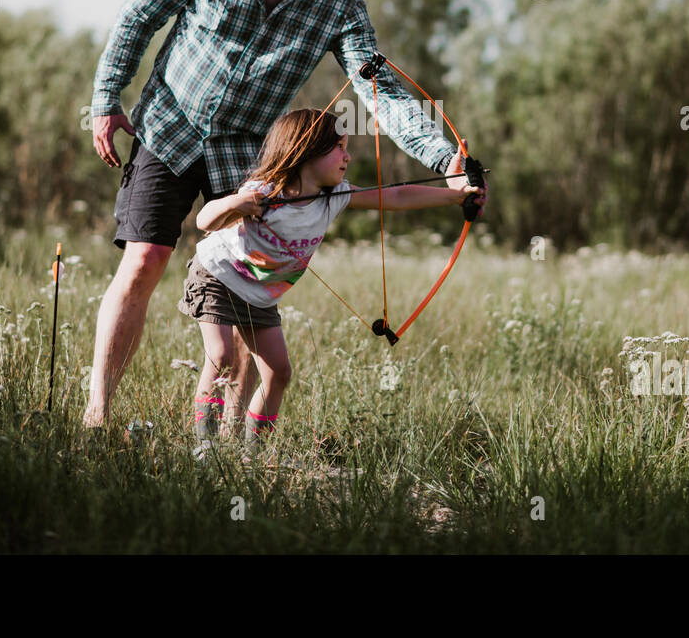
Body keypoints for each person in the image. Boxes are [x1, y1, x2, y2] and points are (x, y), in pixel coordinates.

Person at [84, 0, 489, 430]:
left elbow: (378, 89)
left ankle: (224, 444)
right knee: (145, 260)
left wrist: (445, 159)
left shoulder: (342, 3)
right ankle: (98, 416)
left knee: (246, 284)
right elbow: (139, 18)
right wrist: (106, 99)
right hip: (168, 129)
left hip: (247, 152)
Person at [180, 108, 486, 449]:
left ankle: (250, 455)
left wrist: (457, 195)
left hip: (260, 294)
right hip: (218, 276)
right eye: (339, 147)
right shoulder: (265, 190)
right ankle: (204, 450)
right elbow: (204, 220)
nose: (348, 155)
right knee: (221, 356)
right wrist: (241, 202)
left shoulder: (335, 197)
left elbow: (396, 195)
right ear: (307, 149)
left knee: (278, 373)